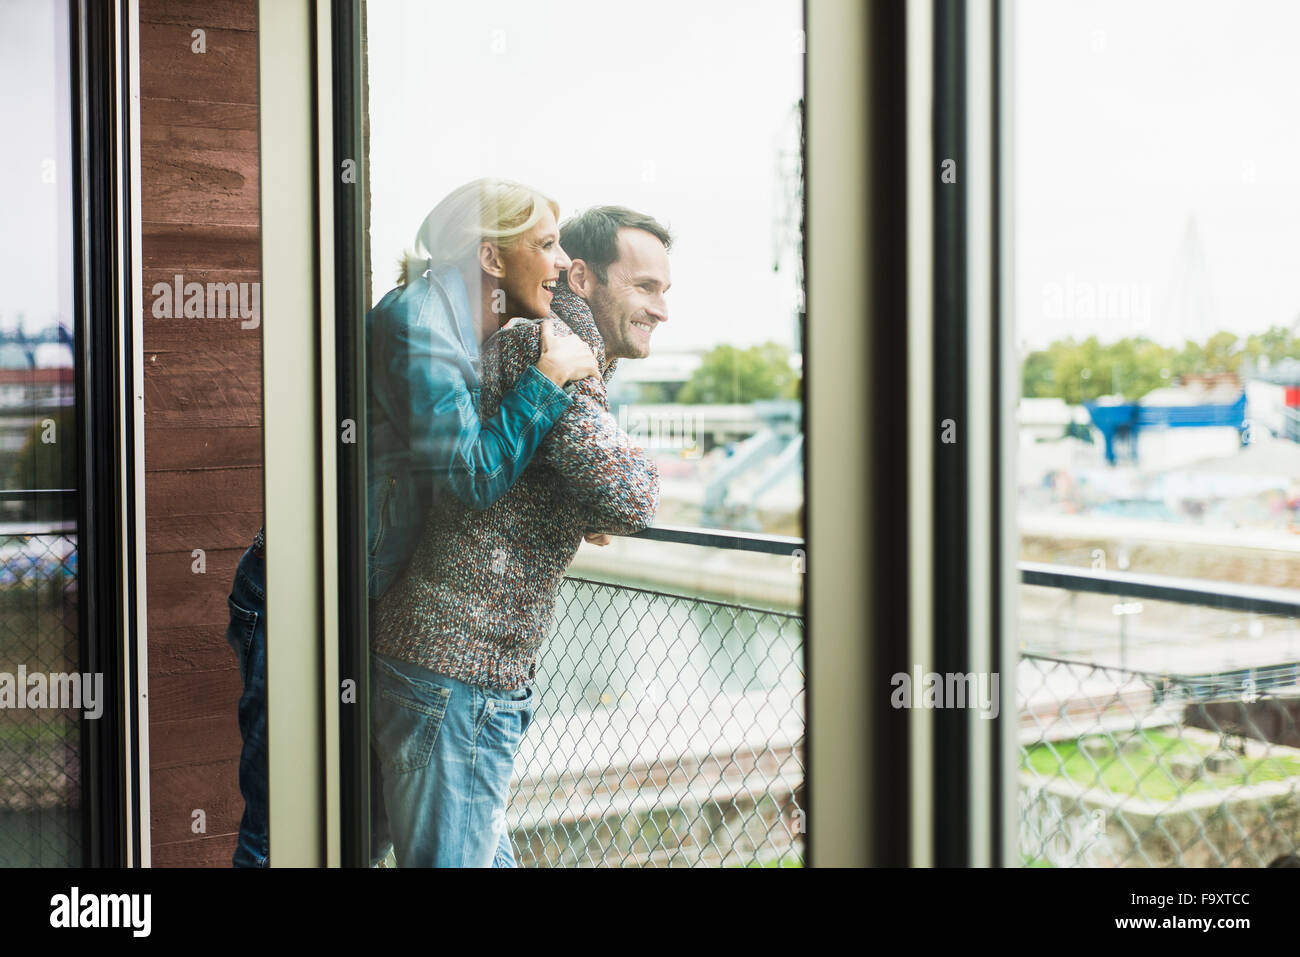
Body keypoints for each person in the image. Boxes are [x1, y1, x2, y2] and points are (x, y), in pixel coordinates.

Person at [224, 179, 597, 868]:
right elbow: (472, 471)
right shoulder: (416, 323)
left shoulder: (479, 325)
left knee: (357, 829)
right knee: (285, 828)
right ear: (491, 257)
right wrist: (547, 377)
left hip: (356, 604)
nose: (560, 260)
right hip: (299, 602)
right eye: (545, 243)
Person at [370, 205, 672, 867]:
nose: (662, 309)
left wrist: (583, 498)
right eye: (645, 287)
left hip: (437, 668)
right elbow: (631, 494)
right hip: (459, 677)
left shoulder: (544, 343)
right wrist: (612, 491)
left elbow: (555, 472)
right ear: (585, 278)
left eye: (666, 291)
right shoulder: (551, 345)